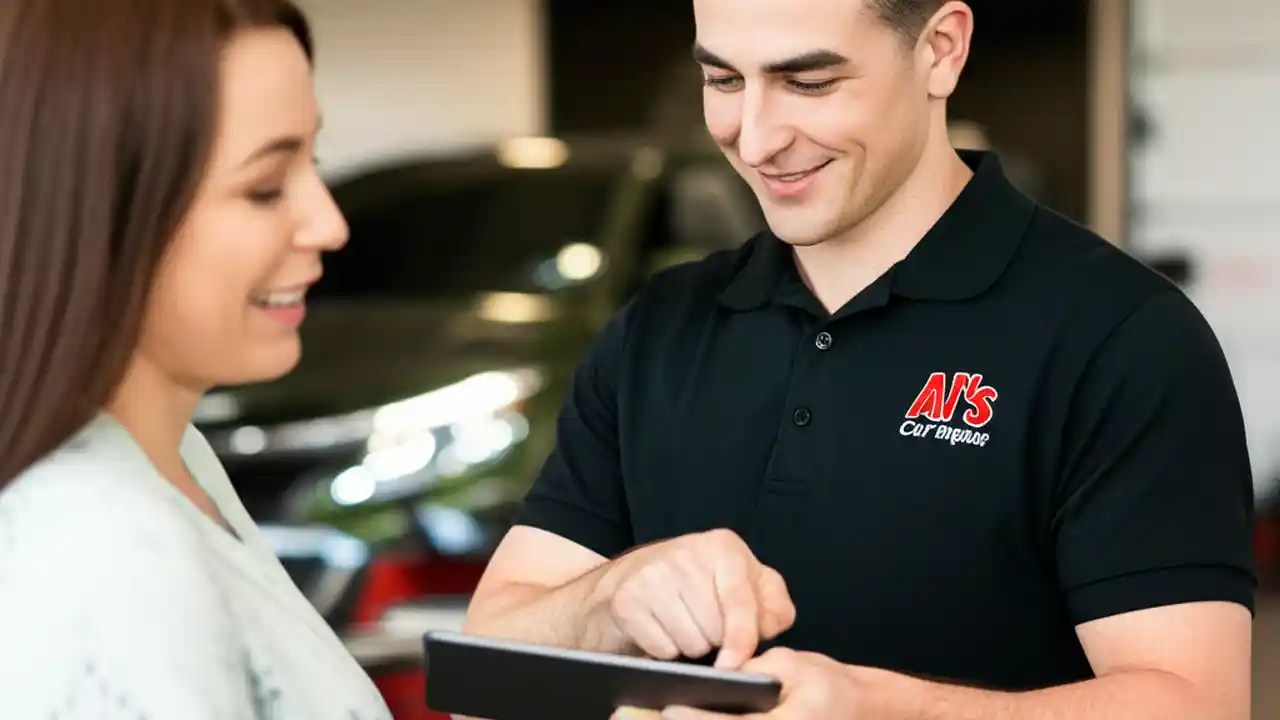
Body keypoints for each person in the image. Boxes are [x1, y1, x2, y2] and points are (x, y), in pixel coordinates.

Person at [463, 1, 1256, 718]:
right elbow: (481, 682)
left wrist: (879, 709)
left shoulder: (1123, 338)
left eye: (808, 82)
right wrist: (611, 598)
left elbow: (1195, 704)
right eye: (724, 79)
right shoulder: (658, 330)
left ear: (940, 50)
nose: (756, 135)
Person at [0, 1, 390, 717]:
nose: (331, 223)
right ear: (105, 207)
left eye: (315, 160)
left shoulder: (175, 458)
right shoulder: (105, 544)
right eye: (265, 186)